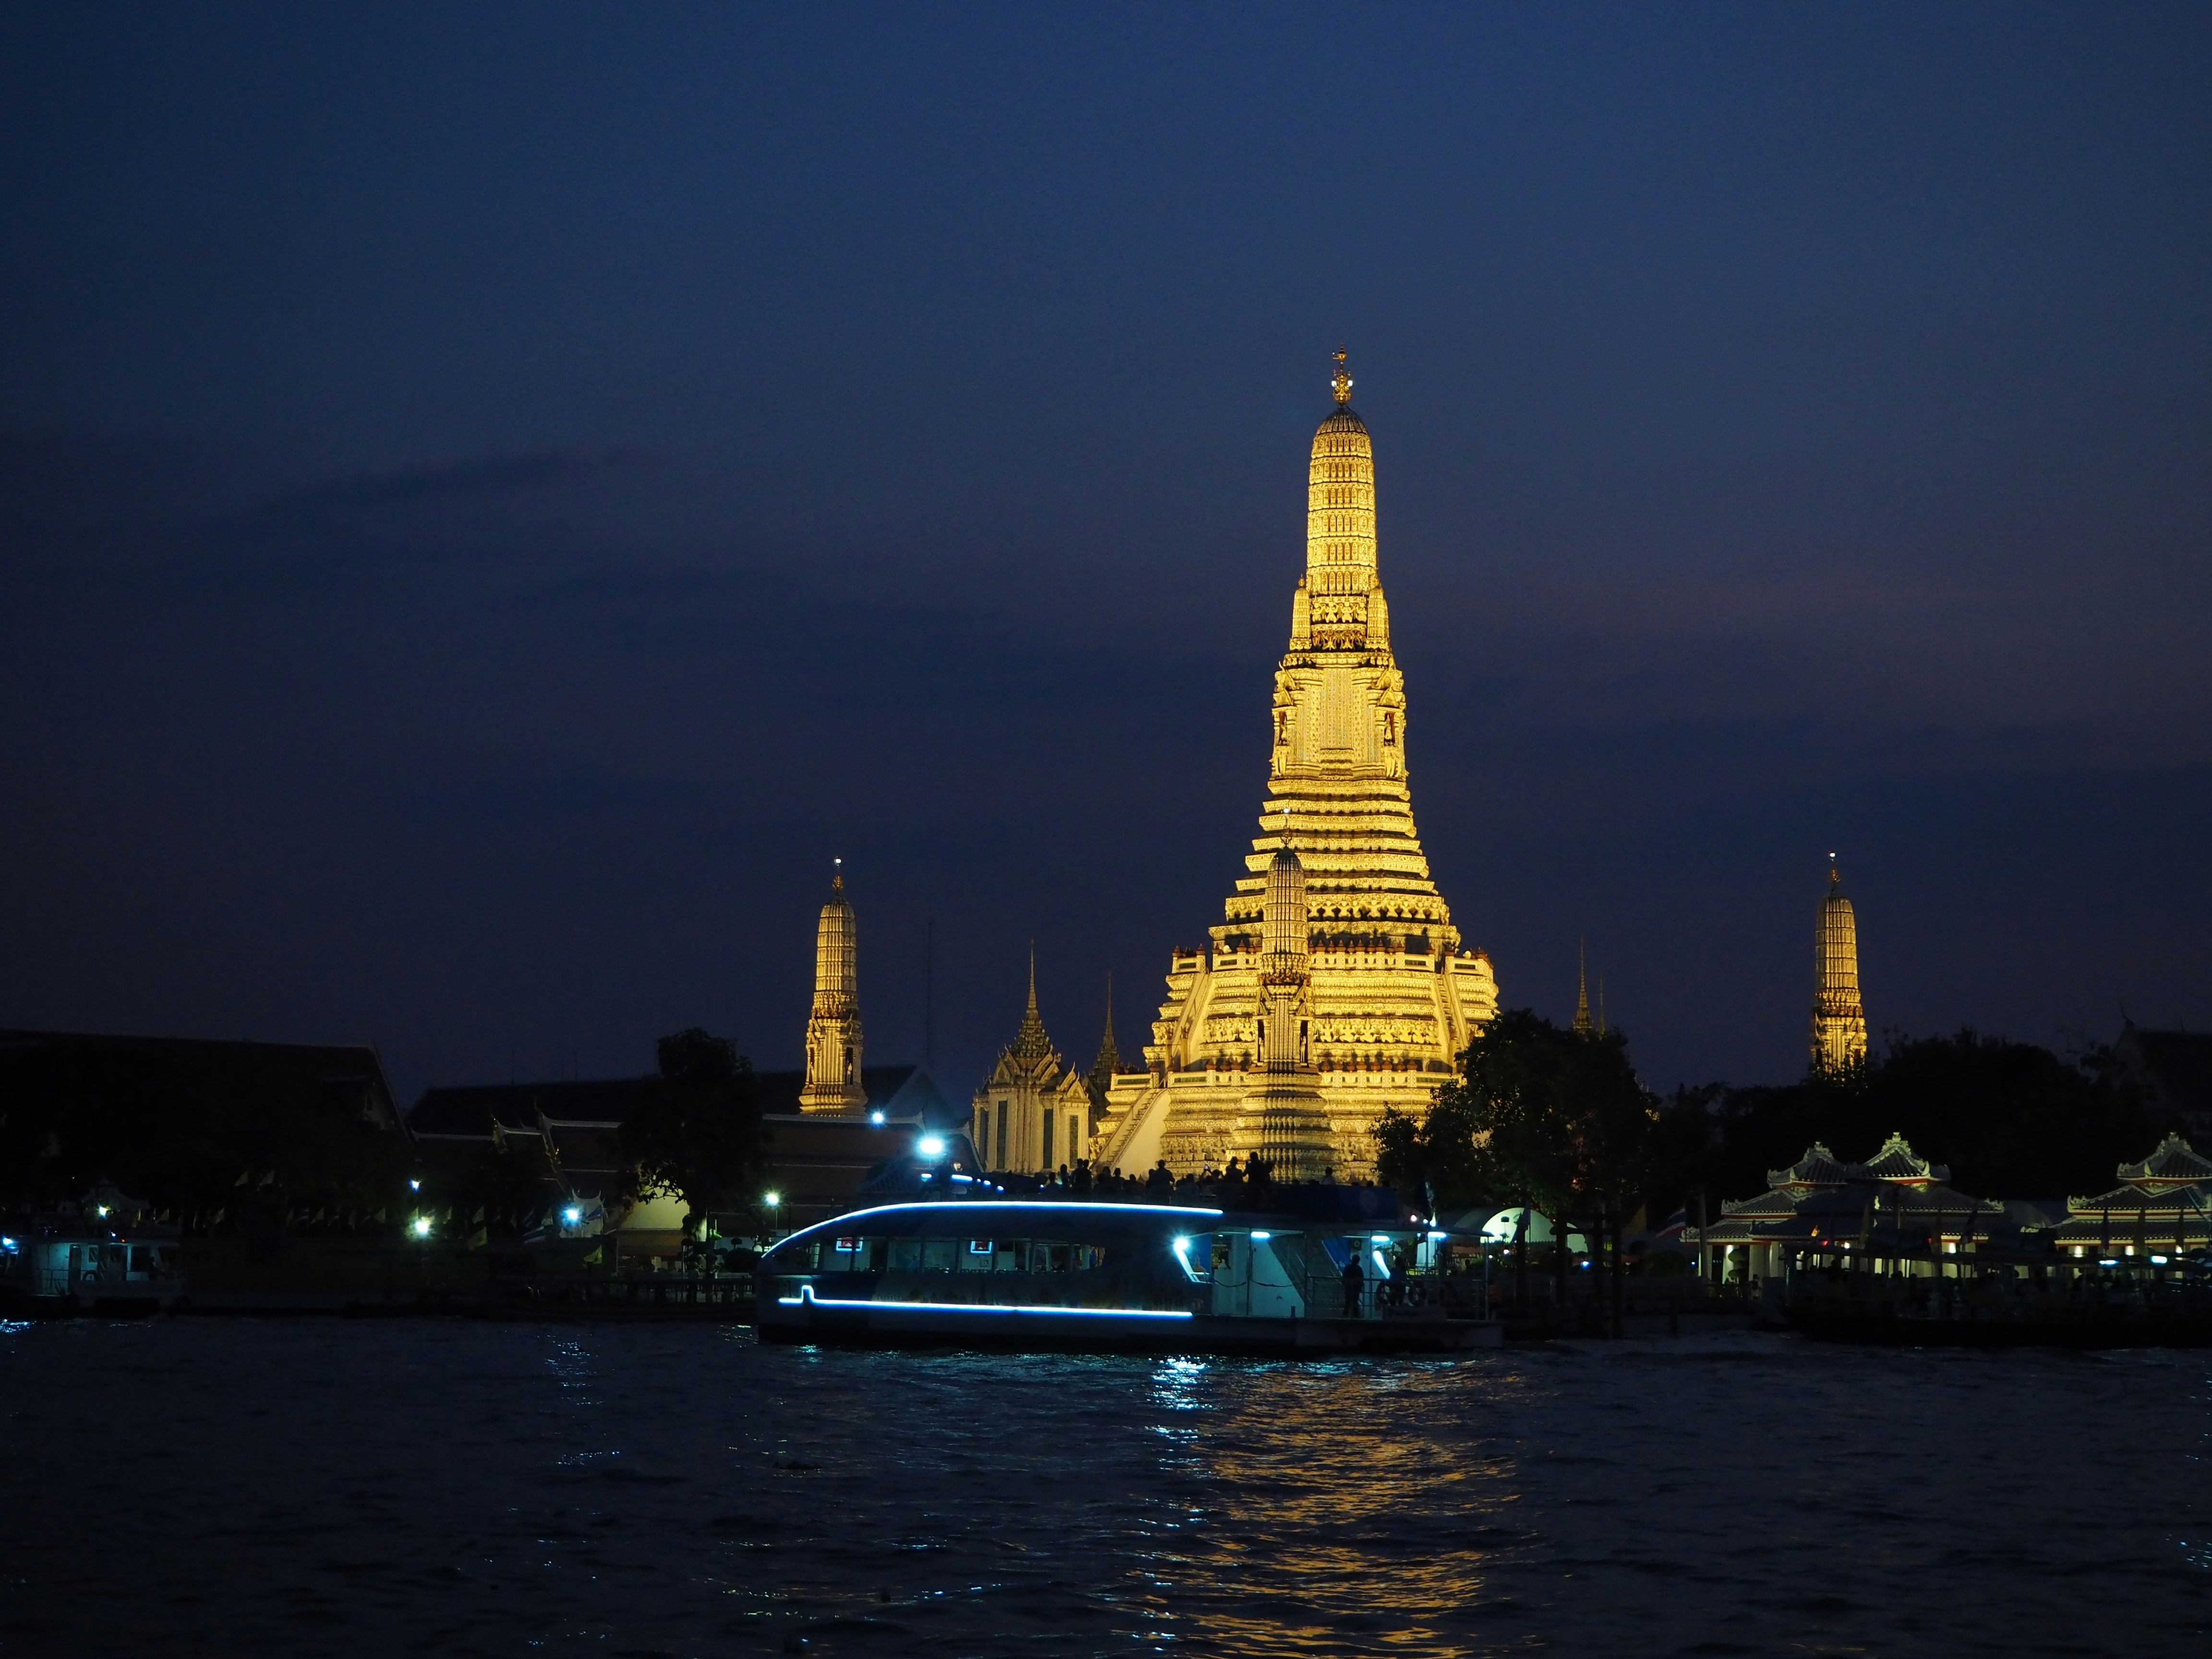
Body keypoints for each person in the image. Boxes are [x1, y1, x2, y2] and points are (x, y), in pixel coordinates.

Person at [1341, 1253, 1365, 1319]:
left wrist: (1344, 1284)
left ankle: (1346, 1314)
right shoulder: (1359, 1269)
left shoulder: (1348, 1267)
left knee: (1348, 1301)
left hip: (1348, 1287)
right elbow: (1361, 1279)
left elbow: (1344, 1277)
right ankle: (1356, 1315)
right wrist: (1361, 1286)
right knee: (1355, 1301)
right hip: (1356, 1288)